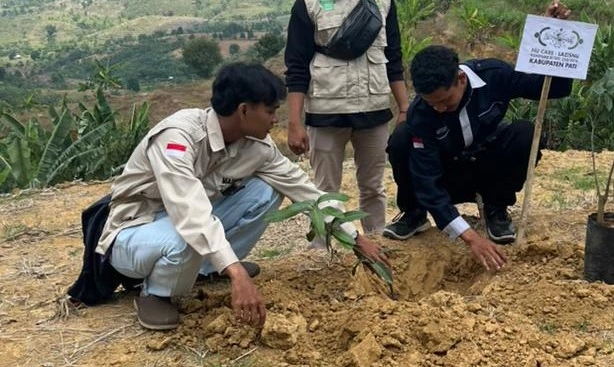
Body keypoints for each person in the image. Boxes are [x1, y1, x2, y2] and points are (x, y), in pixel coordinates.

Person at [66, 63, 388, 330]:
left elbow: (305, 190)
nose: (275, 119)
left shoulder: (256, 148)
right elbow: (190, 213)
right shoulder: (178, 138)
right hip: (133, 231)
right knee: (189, 235)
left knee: (269, 188)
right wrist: (236, 271)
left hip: (180, 226)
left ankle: (206, 269)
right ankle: (156, 293)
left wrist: (354, 238)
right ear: (244, 110)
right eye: (270, 111)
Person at [384, 0, 573, 271]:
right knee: (401, 139)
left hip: (488, 169)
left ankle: (496, 209)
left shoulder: (495, 76)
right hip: (447, 175)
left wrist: (554, 36)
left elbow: (552, 88)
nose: (439, 108)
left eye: (445, 101)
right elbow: (427, 180)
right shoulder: (421, 114)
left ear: (461, 79)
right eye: (431, 103)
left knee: (524, 133)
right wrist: (470, 238)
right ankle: (414, 213)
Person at [284, 0, 408, 237]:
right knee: (325, 190)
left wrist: (405, 107)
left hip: (374, 108)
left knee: (374, 187)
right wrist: (294, 122)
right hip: (326, 111)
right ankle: (324, 252)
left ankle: (377, 242)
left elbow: (394, 57)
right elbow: (296, 66)